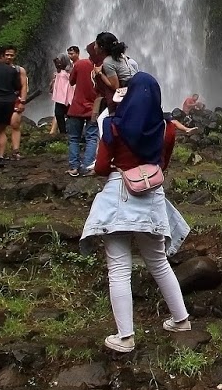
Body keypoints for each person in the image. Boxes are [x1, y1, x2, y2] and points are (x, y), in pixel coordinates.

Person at [79, 71, 193, 353]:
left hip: (119, 192)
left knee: (118, 268)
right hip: (152, 195)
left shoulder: (114, 126)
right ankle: (181, 319)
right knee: (158, 262)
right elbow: (162, 165)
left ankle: (125, 336)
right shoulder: (167, 129)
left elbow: (103, 166)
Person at [66, 44, 100, 177]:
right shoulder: (102, 67)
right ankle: (87, 166)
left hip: (77, 107)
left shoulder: (80, 64)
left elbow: (71, 81)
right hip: (93, 108)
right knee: (91, 137)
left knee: (74, 138)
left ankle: (74, 167)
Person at [6, 46, 29, 159]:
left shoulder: (20, 70)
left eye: (11, 55)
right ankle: (1, 151)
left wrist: (22, 101)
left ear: (15, 56)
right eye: (7, 55)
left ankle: (15, 150)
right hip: (2, 100)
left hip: (16, 99)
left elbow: (24, 86)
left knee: (15, 124)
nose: (9, 57)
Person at [50, 54, 74, 136]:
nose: (59, 63)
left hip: (67, 96)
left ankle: (72, 132)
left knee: (70, 115)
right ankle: (63, 132)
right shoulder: (58, 71)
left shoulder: (69, 71)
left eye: (60, 61)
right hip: (59, 97)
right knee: (58, 114)